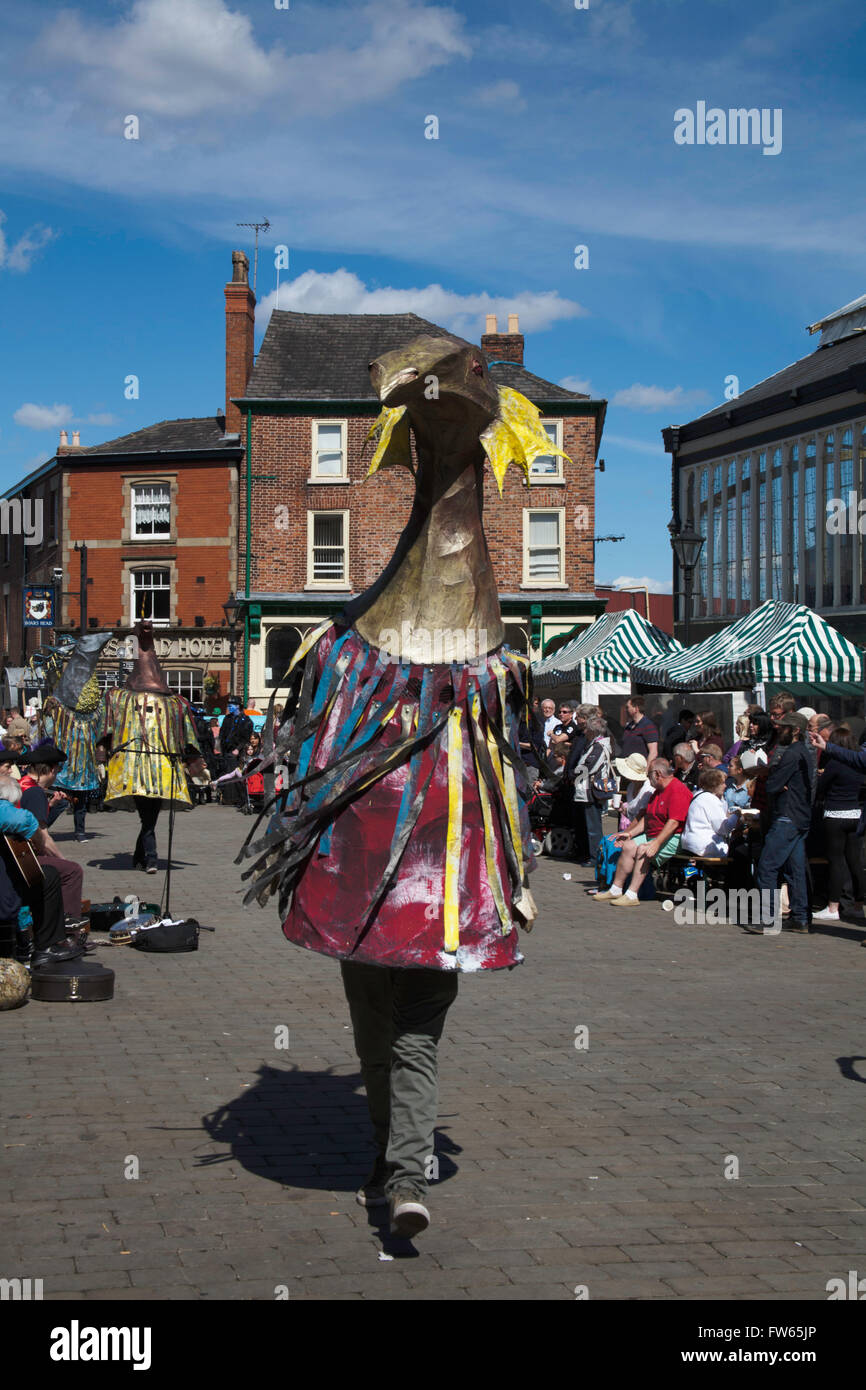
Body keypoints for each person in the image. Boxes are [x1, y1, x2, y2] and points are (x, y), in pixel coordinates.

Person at [99, 620, 202, 873]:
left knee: (149, 818)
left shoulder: (175, 704)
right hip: (134, 768)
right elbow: (106, 730)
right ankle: (152, 858)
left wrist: (195, 765)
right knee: (148, 817)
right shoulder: (119, 699)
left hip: (161, 768)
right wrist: (101, 758)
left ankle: (139, 855)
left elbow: (184, 734)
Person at [0, 774, 83, 966]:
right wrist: (34, 838)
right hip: (6, 893)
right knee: (49, 876)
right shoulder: (12, 812)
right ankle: (47, 945)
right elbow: (29, 828)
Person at [595, 757, 693, 906]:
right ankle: (616, 888)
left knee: (643, 850)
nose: (648, 779)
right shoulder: (658, 791)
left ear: (658, 774)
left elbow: (674, 823)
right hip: (654, 833)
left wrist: (656, 843)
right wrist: (629, 833)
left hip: (674, 836)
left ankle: (632, 894)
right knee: (628, 846)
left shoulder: (677, 790)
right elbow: (648, 817)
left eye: (649, 775)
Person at [754, 713, 818, 933]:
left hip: (788, 816)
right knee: (795, 869)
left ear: (795, 731)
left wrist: (774, 778)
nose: (779, 731)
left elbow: (772, 785)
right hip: (799, 815)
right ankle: (800, 918)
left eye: (783, 728)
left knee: (768, 866)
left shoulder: (792, 753)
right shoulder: (803, 753)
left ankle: (769, 918)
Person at [17, 745, 87, 922]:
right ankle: (69, 928)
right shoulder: (35, 793)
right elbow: (43, 838)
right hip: (24, 857)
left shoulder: (22, 784)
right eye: (59, 769)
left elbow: (29, 819)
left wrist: (50, 806)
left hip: (17, 853)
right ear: (51, 769)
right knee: (72, 871)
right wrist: (62, 859)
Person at [810, 725, 866, 924]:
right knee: (855, 861)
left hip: (836, 814)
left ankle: (833, 907)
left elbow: (821, 789)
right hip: (857, 814)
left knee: (836, 861)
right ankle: (859, 905)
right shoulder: (860, 763)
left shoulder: (836, 763)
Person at [571, 714, 614, 862]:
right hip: (587, 789)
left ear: (593, 731)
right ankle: (593, 855)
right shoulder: (594, 745)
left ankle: (596, 858)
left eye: (587, 729)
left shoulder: (599, 746)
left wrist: (573, 773)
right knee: (591, 825)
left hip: (592, 791)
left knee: (593, 827)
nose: (584, 732)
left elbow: (589, 766)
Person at [681, 768, 740, 857]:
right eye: (723, 783)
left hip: (690, 843)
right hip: (702, 846)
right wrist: (737, 815)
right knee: (738, 852)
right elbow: (723, 828)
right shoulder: (710, 799)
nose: (725, 786)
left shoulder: (698, 795)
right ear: (714, 784)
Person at [614, 752, 652, 831]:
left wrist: (626, 833)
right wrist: (623, 810)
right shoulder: (631, 787)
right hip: (634, 829)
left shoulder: (648, 790)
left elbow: (641, 818)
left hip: (645, 830)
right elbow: (632, 815)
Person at [621, 695, 659, 765]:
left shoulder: (648, 726)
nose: (625, 710)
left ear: (636, 709)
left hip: (639, 771)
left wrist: (646, 771)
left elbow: (653, 752)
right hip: (627, 769)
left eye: (628, 707)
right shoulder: (629, 726)